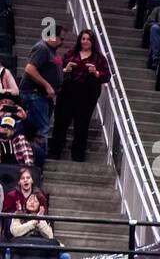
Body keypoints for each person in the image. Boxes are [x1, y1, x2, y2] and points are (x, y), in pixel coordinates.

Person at [48, 31, 111, 162]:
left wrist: (96, 72)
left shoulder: (99, 58)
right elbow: (57, 71)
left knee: (82, 125)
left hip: (87, 95)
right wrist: (66, 69)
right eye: (83, 39)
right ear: (79, 40)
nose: (85, 41)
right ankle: (55, 151)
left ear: (93, 42)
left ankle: (78, 154)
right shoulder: (70, 54)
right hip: (68, 92)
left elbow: (107, 76)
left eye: (88, 39)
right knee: (61, 122)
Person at [19, 25, 65, 159]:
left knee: (35, 129)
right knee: (42, 129)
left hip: (41, 96)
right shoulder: (42, 48)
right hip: (35, 94)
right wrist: (47, 85)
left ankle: (34, 159)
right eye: (60, 38)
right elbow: (30, 68)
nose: (62, 42)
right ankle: (39, 161)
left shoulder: (51, 51)